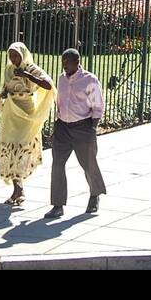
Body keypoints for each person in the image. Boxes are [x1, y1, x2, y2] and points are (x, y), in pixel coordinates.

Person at [45, 49, 107, 219]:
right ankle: (57, 205)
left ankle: (94, 196)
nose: (64, 65)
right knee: (57, 164)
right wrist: (57, 127)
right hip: (63, 128)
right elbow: (60, 103)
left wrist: (91, 129)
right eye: (63, 61)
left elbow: (98, 107)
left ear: (77, 61)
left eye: (67, 62)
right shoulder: (61, 78)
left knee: (88, 164)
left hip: (83, 127)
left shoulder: (90, 80)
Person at [0, 42, 55, 206]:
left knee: (23, 147)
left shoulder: (31, 68)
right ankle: (17, 188)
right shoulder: (8, 69)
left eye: (16, 56)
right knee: (9, 146)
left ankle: (20, 186)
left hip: (26, 112)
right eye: (11, 56)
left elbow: (48, 84)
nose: (13, 59)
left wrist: (27, 76)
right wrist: (4, 92)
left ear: (23, 55)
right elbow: (6, 86)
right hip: (11, 112)